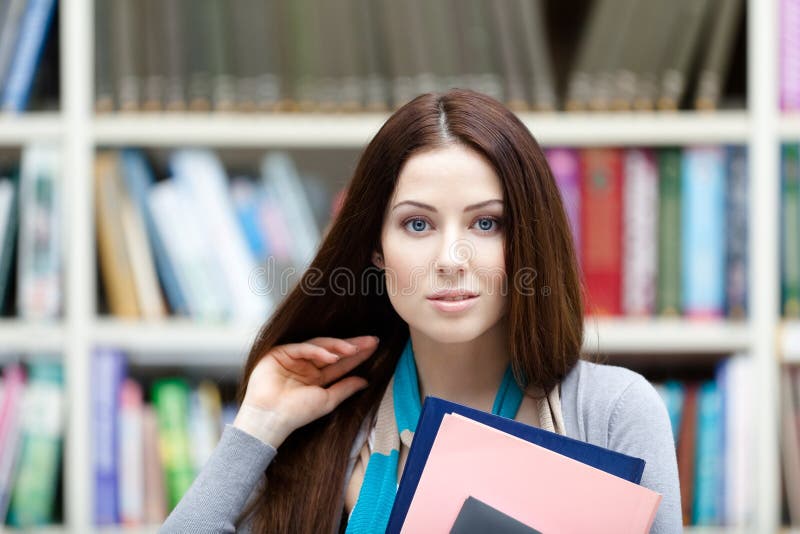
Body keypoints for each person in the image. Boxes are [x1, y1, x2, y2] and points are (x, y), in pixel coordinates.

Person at [159, 89, 682, 533]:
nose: (451, 260)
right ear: (376, 247)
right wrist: (258, 426)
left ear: (528, 241)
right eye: (417, 225)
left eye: (486, 224)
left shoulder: (612, 412)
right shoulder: (326, 429)